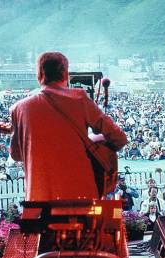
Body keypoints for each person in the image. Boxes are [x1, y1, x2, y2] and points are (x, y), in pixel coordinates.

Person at [9, 52, 128, 200]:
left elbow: (16, 154)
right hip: (81, 195)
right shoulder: (79, 99)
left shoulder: (18, 109)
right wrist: (95, 140)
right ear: (66, 74)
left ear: (39, 74)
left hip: (39, 198)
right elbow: (120, 138)